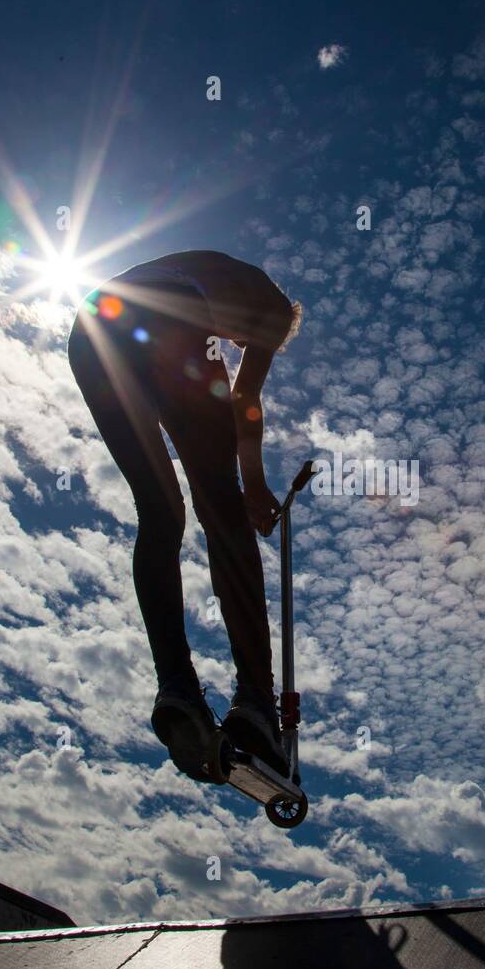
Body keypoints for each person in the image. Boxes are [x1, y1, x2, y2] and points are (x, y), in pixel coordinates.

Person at [66, 249, 302, 783]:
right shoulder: (273, 311)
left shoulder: (223, 273)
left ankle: (176, 684)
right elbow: (245, 399)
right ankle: (257, 702)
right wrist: (255, 484)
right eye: (243, 344)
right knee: (221, 505)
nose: (240, 347)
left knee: (160, 511)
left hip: (93, 328)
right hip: (167, 310)